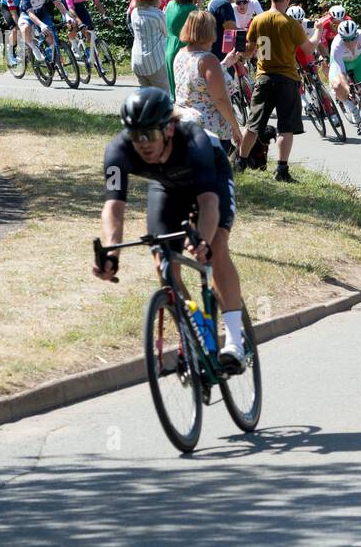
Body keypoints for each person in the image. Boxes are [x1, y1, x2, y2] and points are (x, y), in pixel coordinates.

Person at [94, 88, 249, 371]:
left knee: (215, 246)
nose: (143, 144)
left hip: (210, 181)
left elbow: (208, 202)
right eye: (135, 135)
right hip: (167, 188)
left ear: (167, 129)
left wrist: (201, 239)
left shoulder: (194, 140)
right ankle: (197, 333)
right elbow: (114, 206)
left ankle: (236, 342)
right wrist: (112, 254)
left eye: (149, 135)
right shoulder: (118, 150)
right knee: (163, 263)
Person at [235, 0, 315, 182]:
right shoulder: (291, 23)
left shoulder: (258, 20)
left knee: (253, 124)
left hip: (264, 77)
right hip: (287, 79)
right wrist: (318, 34)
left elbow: (251, 49)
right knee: (286, 127)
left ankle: (240, 163)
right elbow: (307, 50)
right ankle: (281, 169)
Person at [173, 10, 243, 154]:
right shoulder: (208, 59)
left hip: (183, 123)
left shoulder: (180, 54)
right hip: (209, 130)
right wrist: (235, 127)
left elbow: (197, 83)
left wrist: (224, 64)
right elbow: (220, 99)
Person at [328, 18, 361, 123]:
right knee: (337, 85)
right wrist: (348, 89)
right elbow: (341, 73)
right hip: (340, 64)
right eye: (346, 40)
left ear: (357, 34)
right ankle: (351, 108)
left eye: (352, 38)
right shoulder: (336, 45)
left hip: (357, 62)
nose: (350, 42)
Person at [17, 0, 68, 68]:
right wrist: (41, 25)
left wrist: (66, 14)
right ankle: (34, 48)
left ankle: (58, 63)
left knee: (50, 36)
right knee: (25, 28)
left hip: (41, 11)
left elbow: (57, 3)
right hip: (27, 14)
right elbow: (30, 14)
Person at [63, 0, 110, 67]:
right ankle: (74, 46)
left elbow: (98, 3)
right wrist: (80, 23)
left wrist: (104, 16)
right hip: (67, 7)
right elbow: (71, 10)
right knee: (73, 25)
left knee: (89, 33)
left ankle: (93, 56)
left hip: (80, 6)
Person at [129, 0, 170, 90]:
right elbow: (167, 33)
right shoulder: (158, 14)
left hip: (137, 60)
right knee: (162, 96)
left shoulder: (134, 13)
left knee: (145, 97)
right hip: (155, 60)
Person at [164, 0, 201, 95]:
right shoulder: (191, 8)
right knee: (185, 91)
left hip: (169, 47)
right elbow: (200, 24)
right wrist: (198, 5)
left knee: (174, 91)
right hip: (184, 49)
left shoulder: (170, 5)